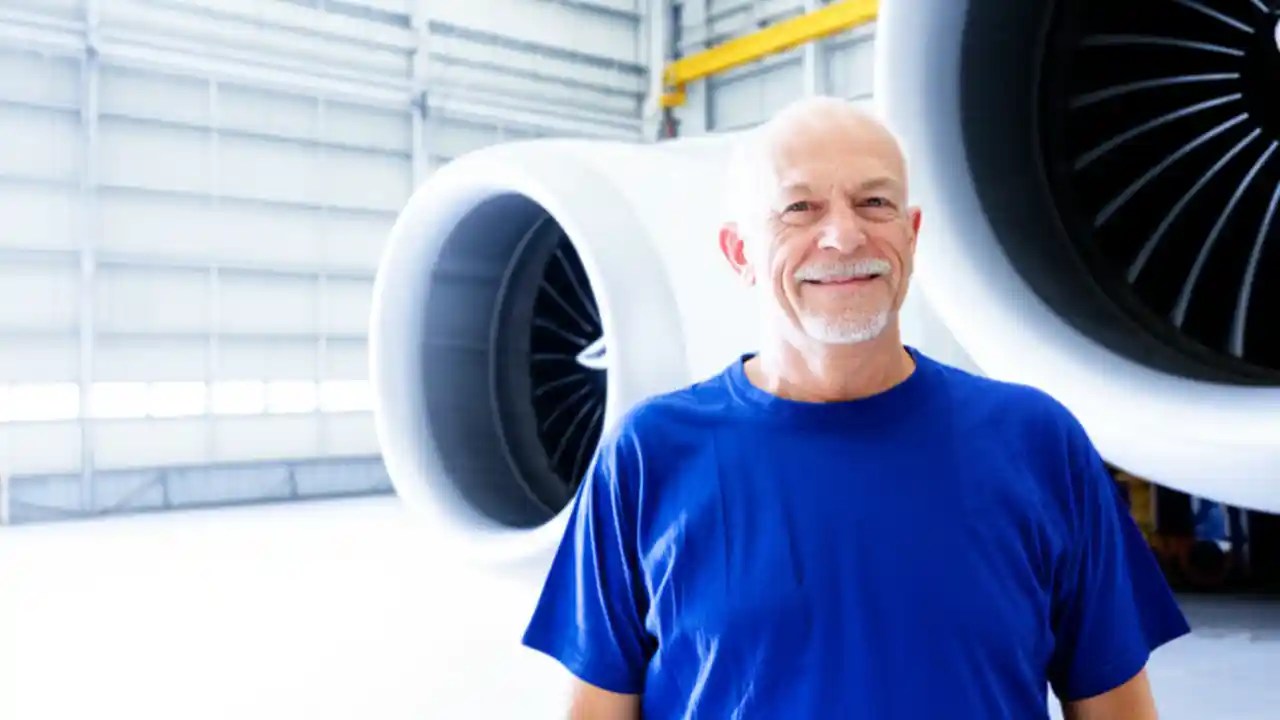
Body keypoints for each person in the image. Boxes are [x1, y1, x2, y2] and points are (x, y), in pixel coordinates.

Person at [521, 96, 1190, 719]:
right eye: (799, 209)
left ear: (912, 232)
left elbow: (1115, 705)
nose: (843, 236)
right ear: (739, 252)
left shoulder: (1038, 444)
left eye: (874, 202)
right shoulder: (648, 458)